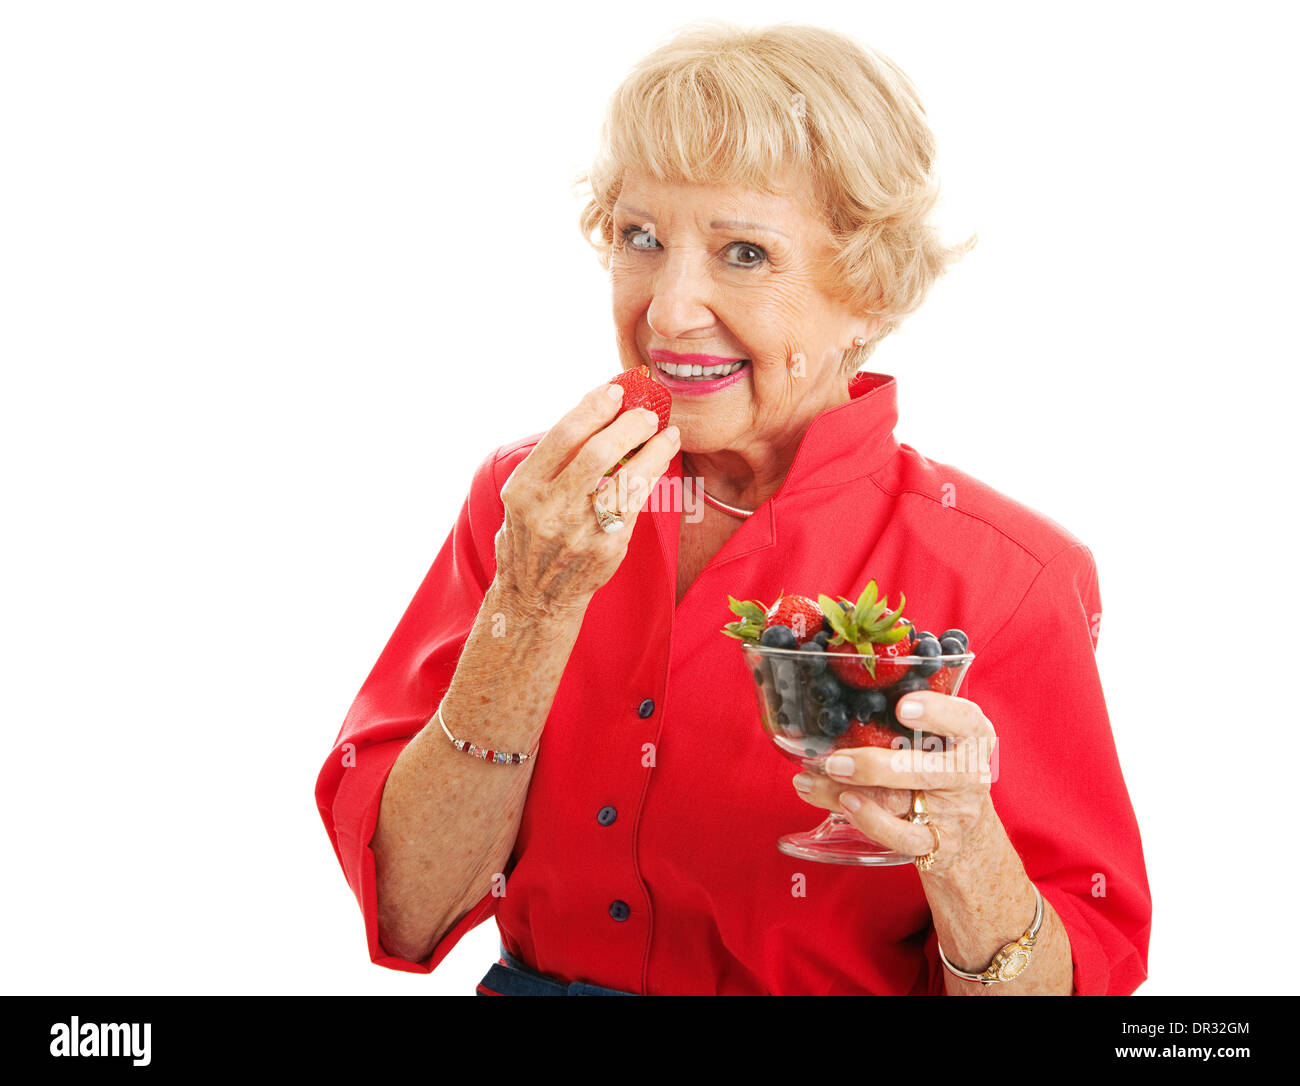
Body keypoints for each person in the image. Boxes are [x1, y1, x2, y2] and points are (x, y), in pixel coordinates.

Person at [315, 20, 1151, 996]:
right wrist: (528, 612)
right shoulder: (532, 505)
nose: (668, 311)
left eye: (744, 252)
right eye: (640, 238)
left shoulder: (1007, 576)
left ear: (870, 292)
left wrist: (962, 849)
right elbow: (410, 910)